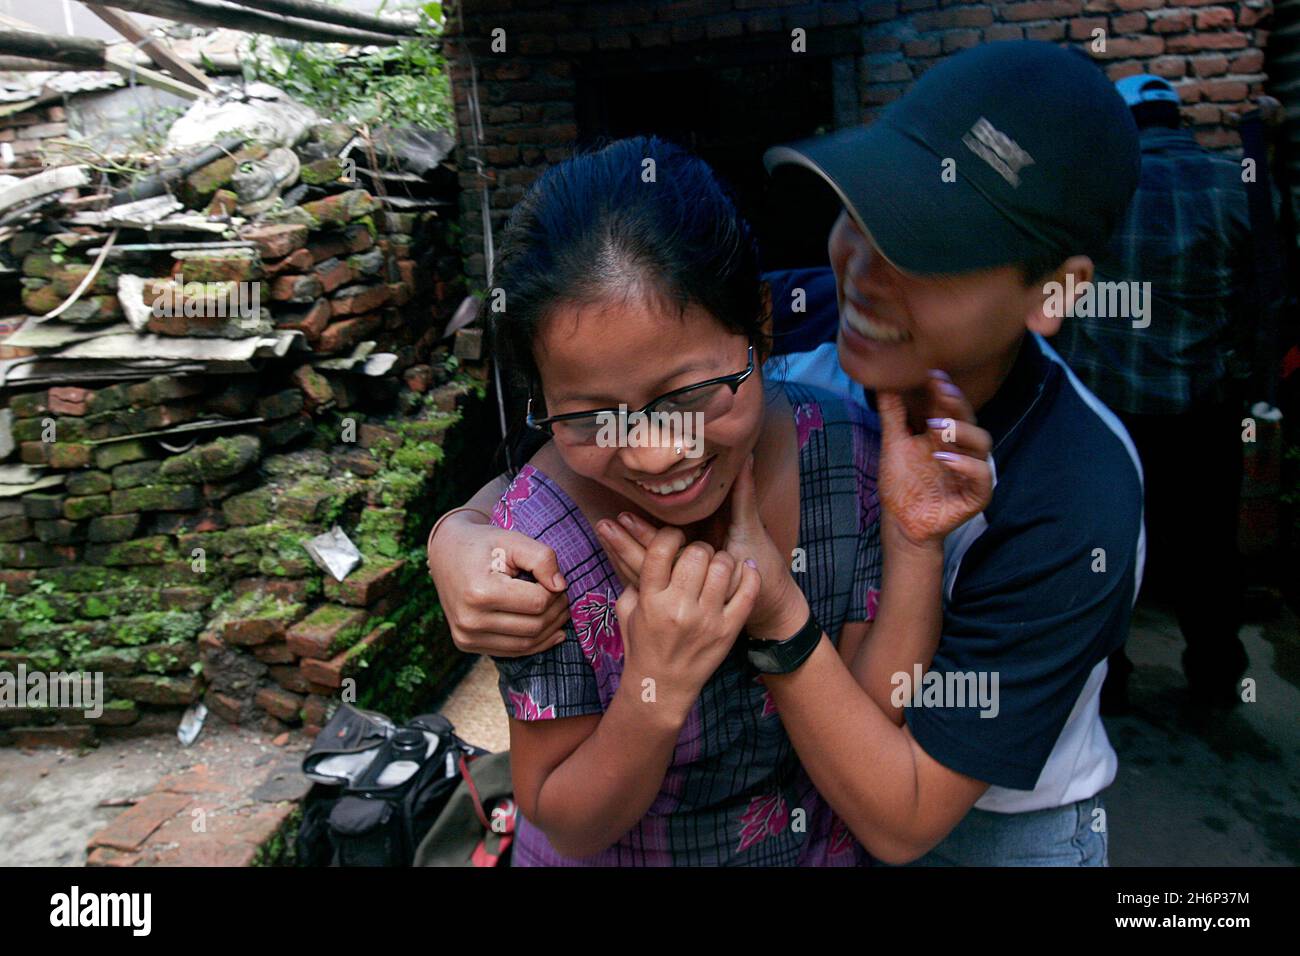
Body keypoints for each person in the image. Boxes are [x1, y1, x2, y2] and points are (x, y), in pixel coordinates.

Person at [429, 41, 1144, 866]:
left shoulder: (1076, 501)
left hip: (973, 820)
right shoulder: (791, 325)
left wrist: (792, 609)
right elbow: (589, 414)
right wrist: (465, 529)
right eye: (870, 213)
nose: (867, 275)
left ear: (1057, 290)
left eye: (932, 248)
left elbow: (902, 815)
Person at [450, 135, 992, 865]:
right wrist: (656, 687)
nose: (654, 452)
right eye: (591, 414)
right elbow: (563, 820)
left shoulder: (849, 458)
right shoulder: (540, 551)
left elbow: (876, 714)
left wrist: (913, 542)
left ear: (761, 326)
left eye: (690, 394)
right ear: (542, 399)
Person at [1054, 73, 1255, 713]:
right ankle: (1217, 676)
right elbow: (1263, 292)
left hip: (1108, 412)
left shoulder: (1097, 188)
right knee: (1209, 546)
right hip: (1204, 406)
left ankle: (1109, 682)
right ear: (1177, 116)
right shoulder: (1236, 184)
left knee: (1106, 545)